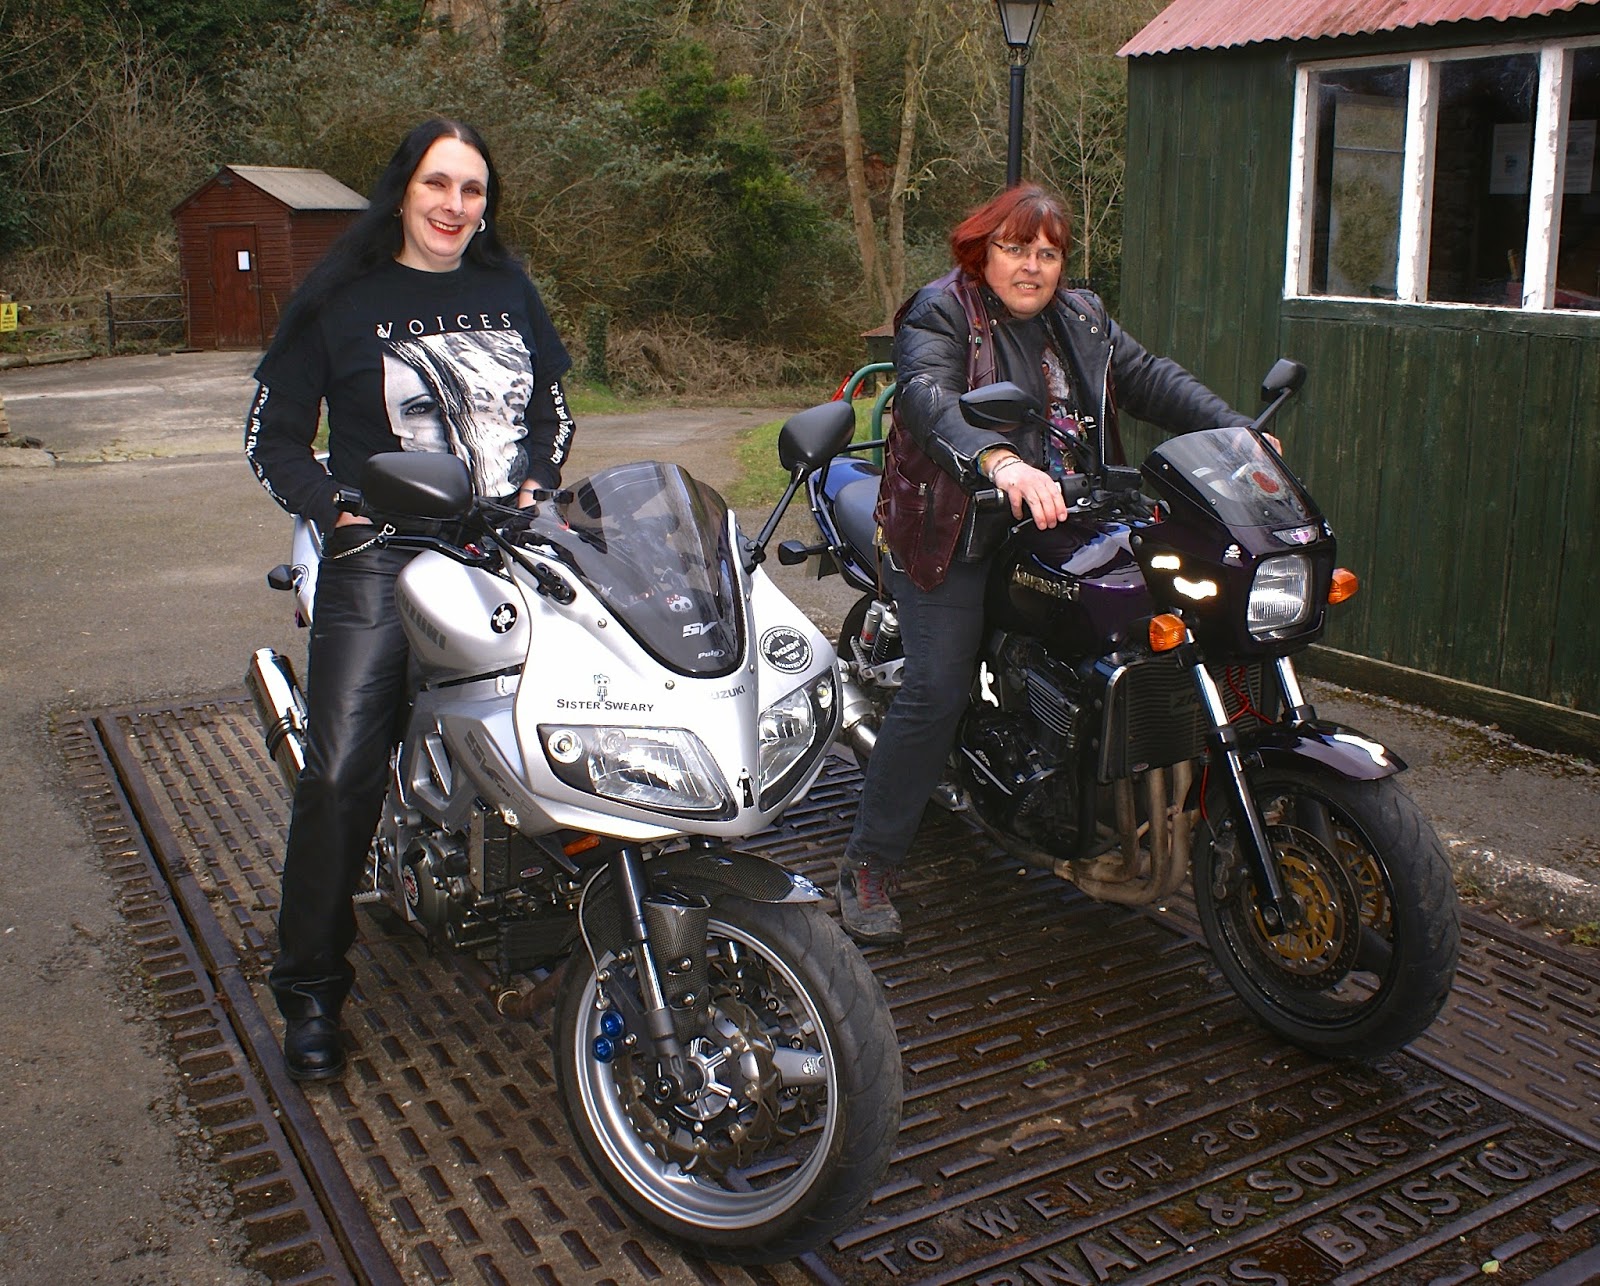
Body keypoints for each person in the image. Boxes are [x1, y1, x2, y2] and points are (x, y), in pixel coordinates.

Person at [245, 118, 576, 1080]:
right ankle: (308, 988)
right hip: (384, 553)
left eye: (473, 191)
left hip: (505, 540)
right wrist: (332, 510)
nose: (455, 207)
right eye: (439, 185)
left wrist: (537, 484)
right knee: (346, 767)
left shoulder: (507, 287)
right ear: (403, 190)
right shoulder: (343, 297)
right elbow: (271, 438)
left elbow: (551, 410)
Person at [837, 183, 1250, 946]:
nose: (1032, 266)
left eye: (1047, 252)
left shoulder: (1082, 316)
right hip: (956, 529)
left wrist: (1236, 433)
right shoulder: (942, 312)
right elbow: (929, 399)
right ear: (981, 251)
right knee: (936, 686)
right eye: (1015, 249)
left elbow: (1151, 377)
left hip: (1071, 522)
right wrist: (999, 462)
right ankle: (870, 862)